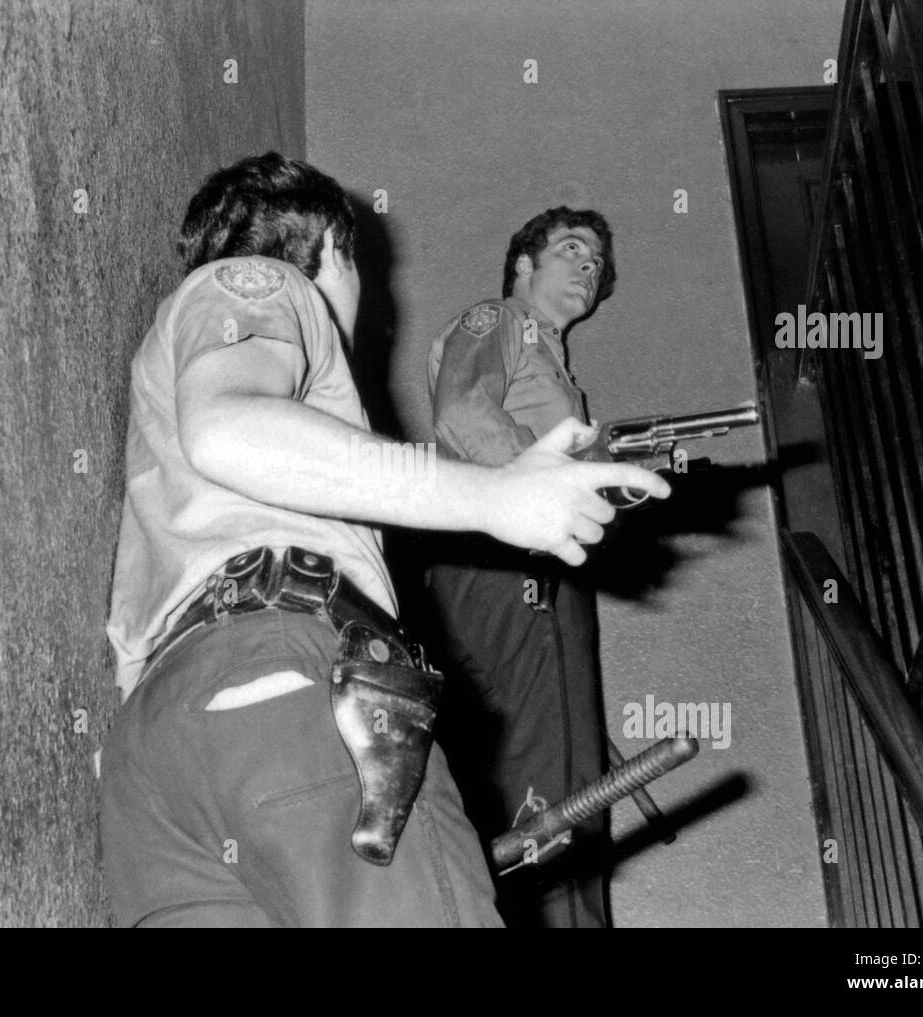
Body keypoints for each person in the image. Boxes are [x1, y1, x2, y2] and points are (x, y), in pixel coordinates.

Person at [99, 157, 667, 928]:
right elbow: (228, 428)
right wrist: (498, 495)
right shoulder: (271, 286)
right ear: (335, 250)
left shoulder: (170, 355)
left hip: (160, 751)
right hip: (290, 685)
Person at [426, 207, 620, 928]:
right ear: (523, 266)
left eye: (597, 260)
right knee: (541, 774)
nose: (588, 265)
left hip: (551, 570)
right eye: (572, 249)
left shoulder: (567, 383)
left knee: (577, 776)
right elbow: (463, 411)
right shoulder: (499, 319)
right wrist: (541, 487)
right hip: (503, 553)